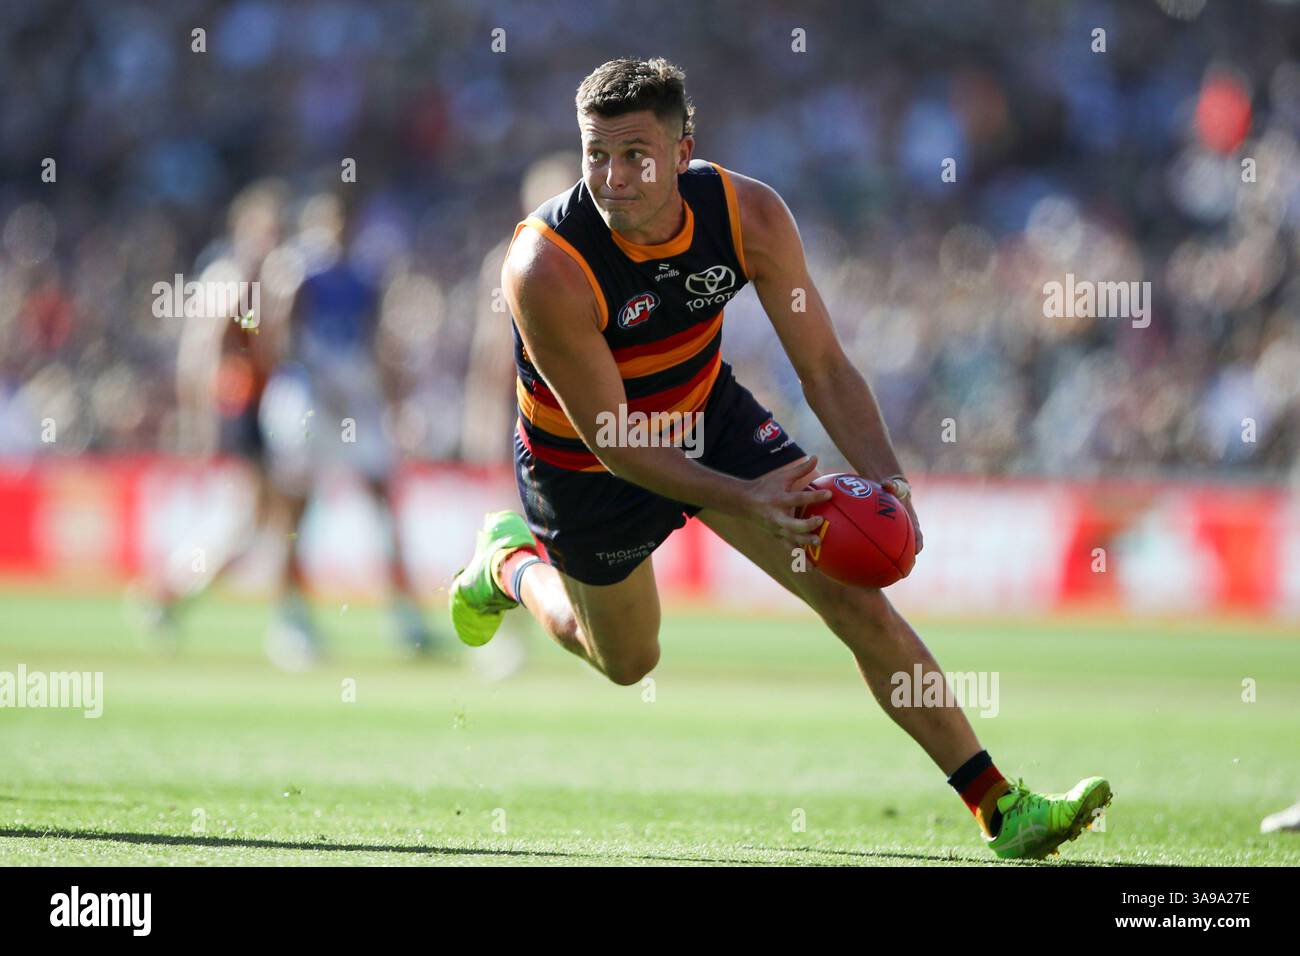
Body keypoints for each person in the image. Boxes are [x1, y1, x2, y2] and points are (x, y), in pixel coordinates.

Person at [449, 57, 1110, 860]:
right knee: (627, 661)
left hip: (705, 416)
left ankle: (1001, 808)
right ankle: (510, 565)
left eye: (635, 155)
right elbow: (614, 441)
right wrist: (745, 497)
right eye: (597, 154)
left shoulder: (749, 216)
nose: (612, 178)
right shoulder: (544, 265)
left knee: (854, 600)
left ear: (682, 154)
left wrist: (890, 481)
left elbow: (824, 367)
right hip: (585, 467)